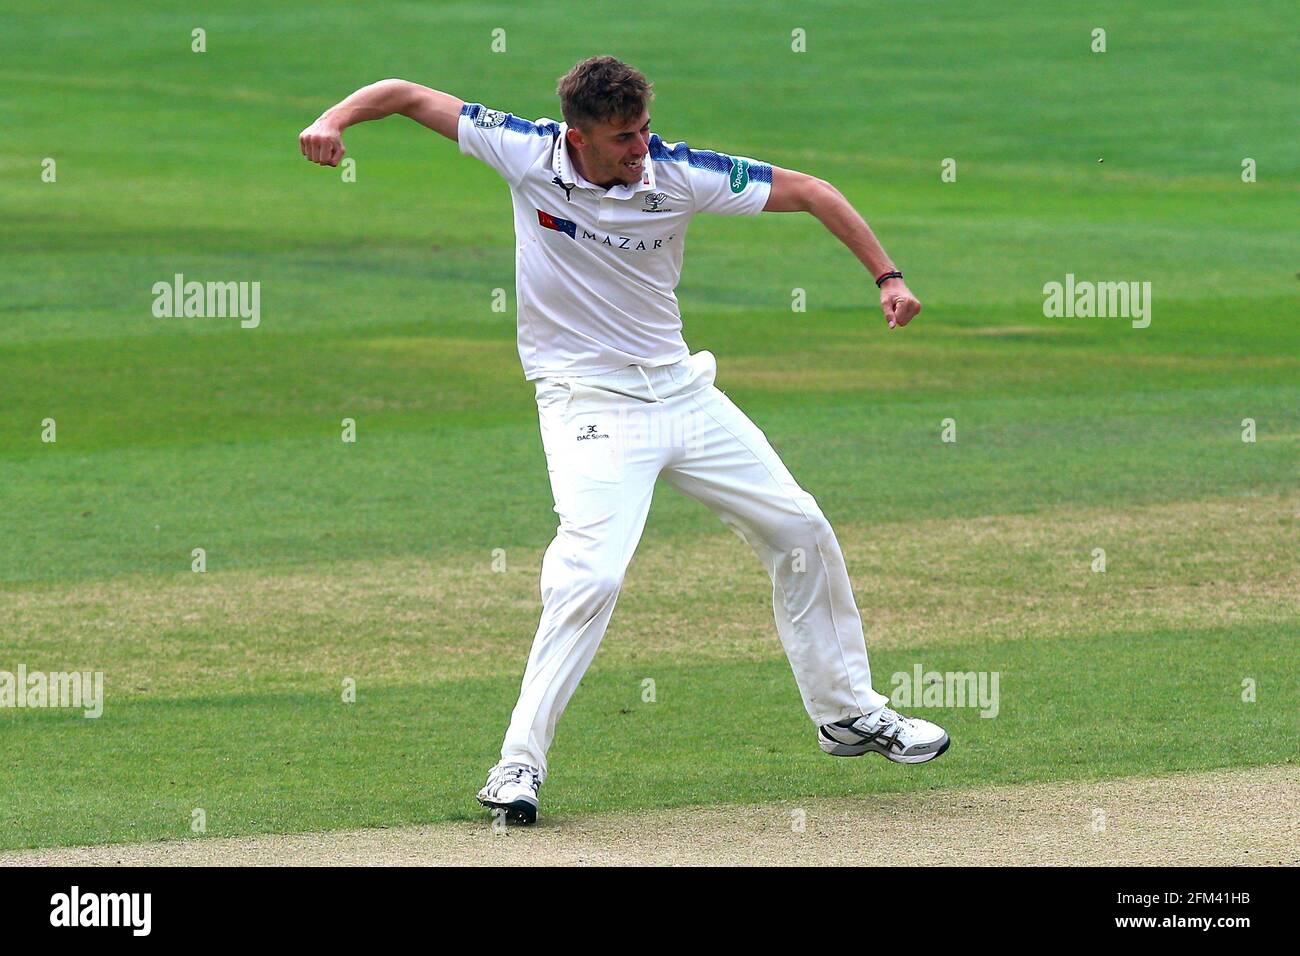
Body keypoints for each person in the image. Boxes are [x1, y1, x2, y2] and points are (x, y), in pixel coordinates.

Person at [300, 55, 948, 826]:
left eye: (642, 130)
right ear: (577, 136)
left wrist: (888, 278)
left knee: (801, 529)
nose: (639, 148)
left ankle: (848, 714)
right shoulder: (523, 149)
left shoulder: (677, 173)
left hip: (681, 392)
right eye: (621, 138)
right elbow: (403, 94)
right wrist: (333, 119)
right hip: (587, 402)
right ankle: (516, 765)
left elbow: (813, 192)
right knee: (592, 578)